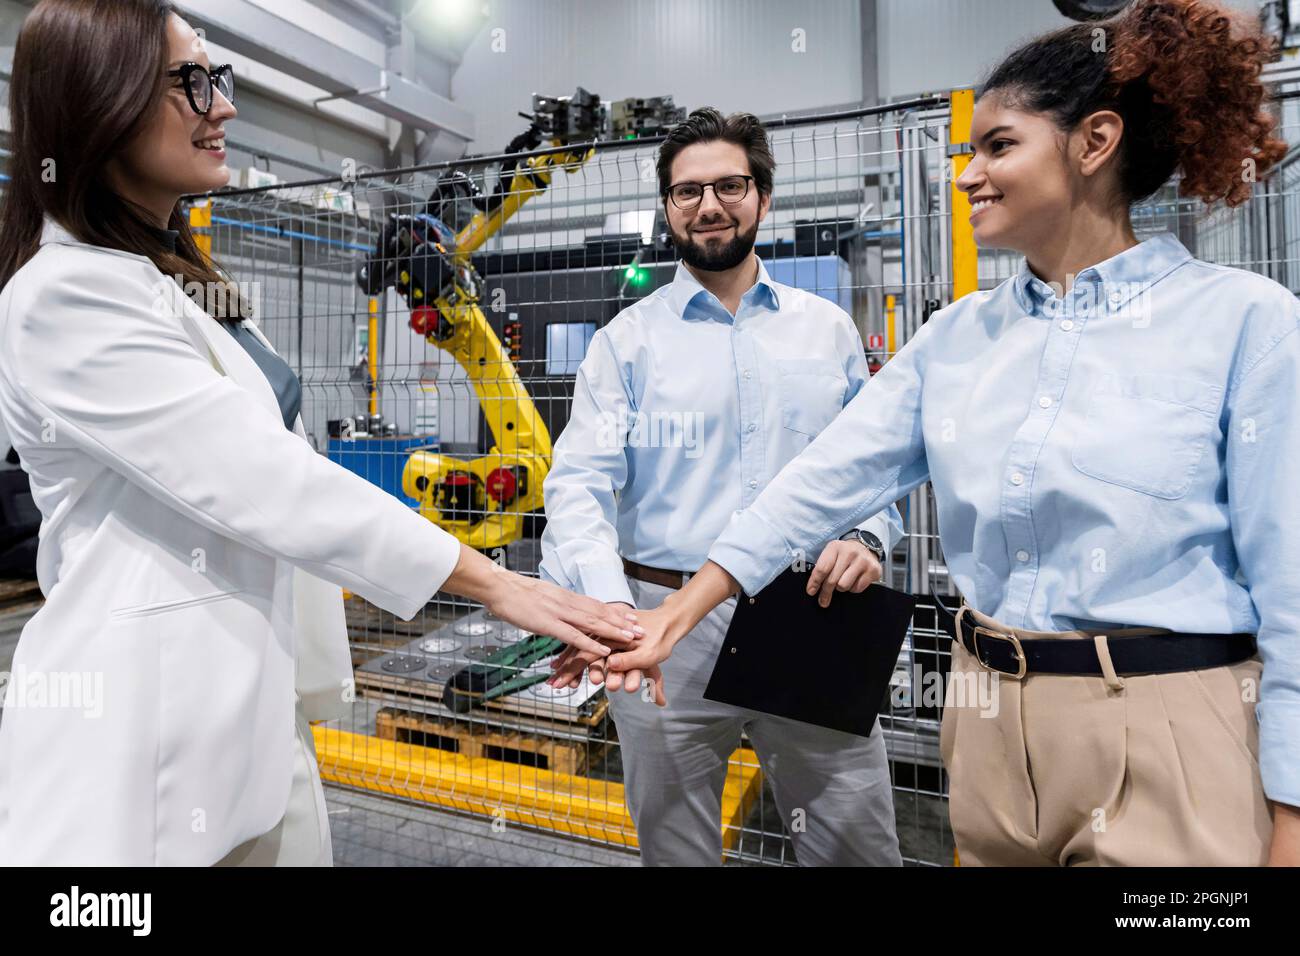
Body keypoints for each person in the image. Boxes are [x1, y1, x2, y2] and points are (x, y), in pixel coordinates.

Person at [553, 0, 1300, 866]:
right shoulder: (956, 336)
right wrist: (660, 615)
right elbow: (823, 478)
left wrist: (1290, 807)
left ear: (1093, 144)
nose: (967, 174)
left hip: (1154, 712)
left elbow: (1290, 585)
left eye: (998, 146)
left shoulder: (1246, 324)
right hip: (981, 720)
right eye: (688, 190)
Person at [0, 0, 640, 867]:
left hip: (257, 710)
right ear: (97, 100)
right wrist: (499, 586)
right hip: (141, 745)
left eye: (219, 80)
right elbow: (261, 478)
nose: (223, 105)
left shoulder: (175, 277)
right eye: (192, 81)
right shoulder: (62, 297)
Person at [540, 108, 905, 866]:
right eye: (687, 192)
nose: (709, 205)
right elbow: (579, 486)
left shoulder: (826, 330)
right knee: (677, 852)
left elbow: (869, 468)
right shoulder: (626, 343)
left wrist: (869, 535)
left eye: (729, 185)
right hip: (661, 626)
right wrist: (610, 609)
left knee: (854, 845)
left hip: (810, 613)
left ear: (763, 197)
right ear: (668, 208)